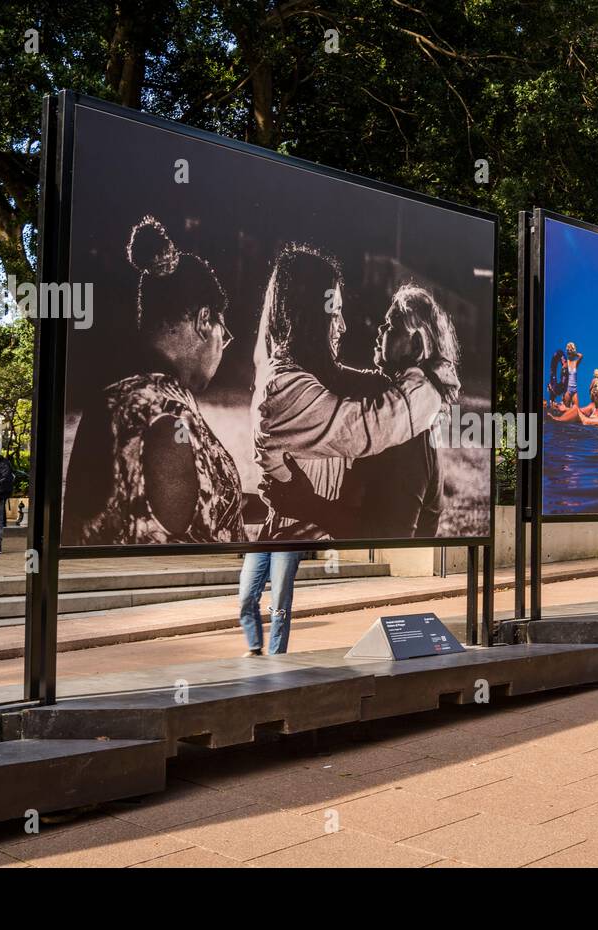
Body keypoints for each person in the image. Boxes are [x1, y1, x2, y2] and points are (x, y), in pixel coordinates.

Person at [250, 244, 457, 541]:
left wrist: (310, 506)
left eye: (391, 325)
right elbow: (371, 423)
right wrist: (434, 378)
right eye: (335, 313)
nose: (344, 327)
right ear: (307, 313)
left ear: (416, 345)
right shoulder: (286, 387)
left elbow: (389, 534)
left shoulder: (408, 425)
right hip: (298, 563)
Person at [62, 215, 245, 546]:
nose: (223, 347)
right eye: (224, 332)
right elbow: (180, 549)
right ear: (205, 321)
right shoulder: (167, 415)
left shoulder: (122, 393)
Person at [239, 549, 304, 656]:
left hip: (286, 542)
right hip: (259, 542)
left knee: (280, 602)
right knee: (246, 597)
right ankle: (255, 648)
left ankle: (276, 654)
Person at [563, 342, 583, 407]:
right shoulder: (566, 363)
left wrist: (574, 353)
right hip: (568, 390)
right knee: (566, 410)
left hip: (574, 390)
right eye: (568, 351)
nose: (569, 352)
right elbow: (562, 376)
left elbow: (581, 356)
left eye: (571, 350)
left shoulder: (575, 363)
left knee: (576, 409)